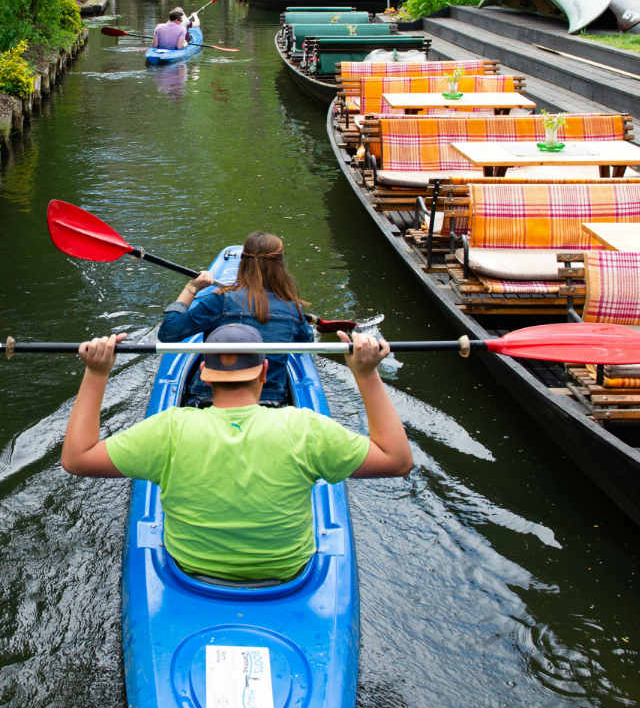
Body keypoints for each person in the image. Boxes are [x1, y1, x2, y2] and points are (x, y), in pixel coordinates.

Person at [60, 323, 413, 582]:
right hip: (286, 575)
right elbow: (397, 460)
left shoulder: (168, 429)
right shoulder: (306, 428)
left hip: (192, 572)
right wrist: (367, 375)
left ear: (203, 373)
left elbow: (77, 458)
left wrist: (96, 373)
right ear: (264, 371)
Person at [159, 232, 313, 408]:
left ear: (243, 263)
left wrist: (192, 288)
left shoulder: (218, 301)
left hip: (208, 397)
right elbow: (305, 344)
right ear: (280, 265)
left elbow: (168, 333)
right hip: (270, 400)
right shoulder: (293, 308)